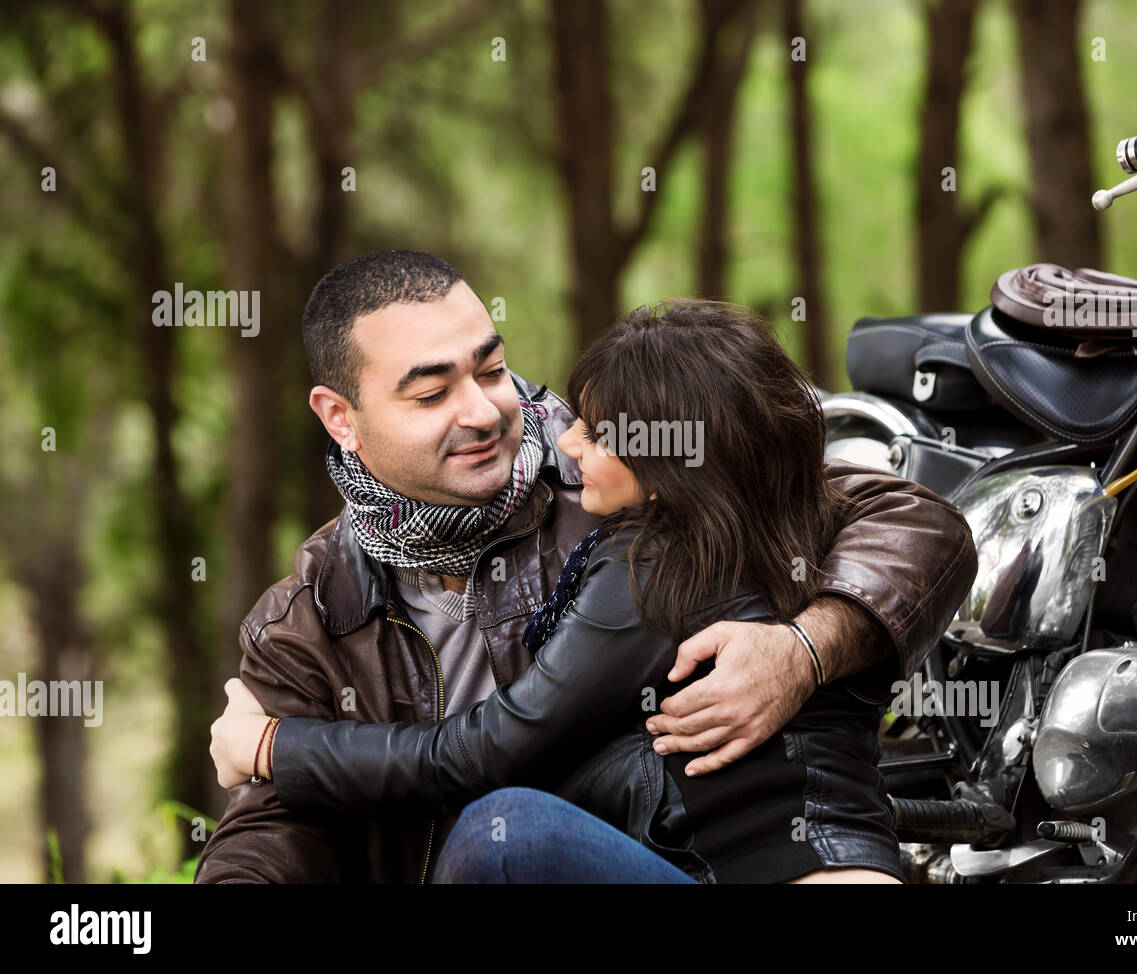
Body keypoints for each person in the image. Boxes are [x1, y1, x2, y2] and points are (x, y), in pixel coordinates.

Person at [195, 250, 976, 883]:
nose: (485, 410)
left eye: (491, 369)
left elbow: (912, 521)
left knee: (506, 838)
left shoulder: (633, 473)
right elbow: (273, 825)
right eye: (432, 392)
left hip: (711, 859)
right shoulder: (308, 613)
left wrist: (803, 650)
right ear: (341, 417)